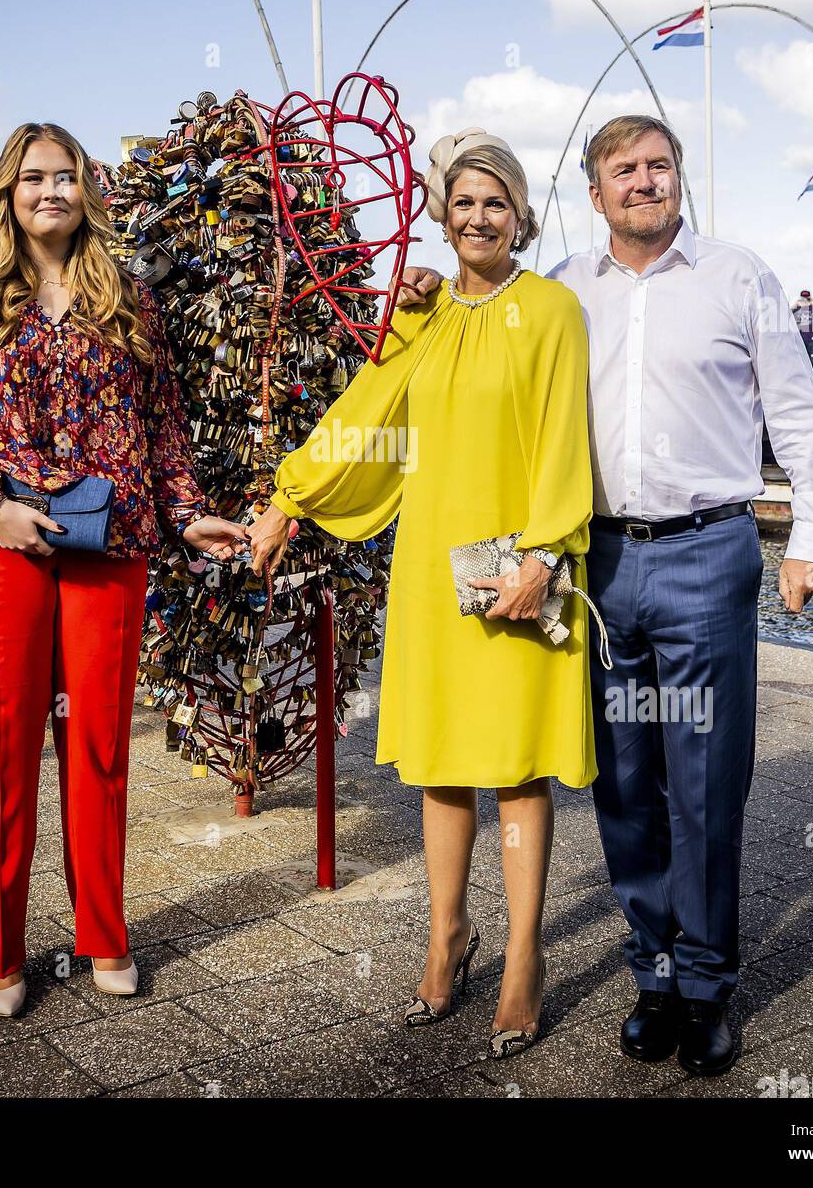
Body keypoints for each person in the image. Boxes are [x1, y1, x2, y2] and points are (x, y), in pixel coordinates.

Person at [396, 115, 813, 1076]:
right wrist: (422, 296)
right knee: (625, 782)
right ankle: (652, 972)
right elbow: (478, 349)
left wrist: (811, 538)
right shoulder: (560, 291)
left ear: (677, 177)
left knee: (705, 780)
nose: (644, 182)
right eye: (623, 170)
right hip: (596, 564)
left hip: (706, 551)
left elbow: (798, 415)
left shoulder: (739, 278)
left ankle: (706, 985)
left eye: (658, 166)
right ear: (593, 193)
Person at [250, 130, 593, 1059]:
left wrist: (544, 554)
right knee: (442, 762)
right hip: (433, 567)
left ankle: (522, 955)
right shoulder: (419, 313)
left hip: (517, 565)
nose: (478, 217)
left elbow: (565, 437)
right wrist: (288, 501)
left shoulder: (552, 309)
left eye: (496, 202)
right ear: (441, 217)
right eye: (463, 202)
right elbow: (365, 418)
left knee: (517, 766)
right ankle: (447, 935)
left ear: (520, 215)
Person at [0, 122, 249, 1018]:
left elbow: (161, 421)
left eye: (65, 177)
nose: (50, 191)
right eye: (33, 177)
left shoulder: (127, 296)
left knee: (95, 746)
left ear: (87, 190)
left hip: (109, 538)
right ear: (7, 191)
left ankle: (104, 932)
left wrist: (186, 512)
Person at [790, 288, 813, 365]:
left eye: (806, 298)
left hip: (811, 338)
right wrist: (797, 303)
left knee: (812, 361)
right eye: (803, 298)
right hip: (801, 338)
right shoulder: (797, 307)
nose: (805, 300)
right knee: (801, 361)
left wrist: (809, 302)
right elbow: (789, 311)